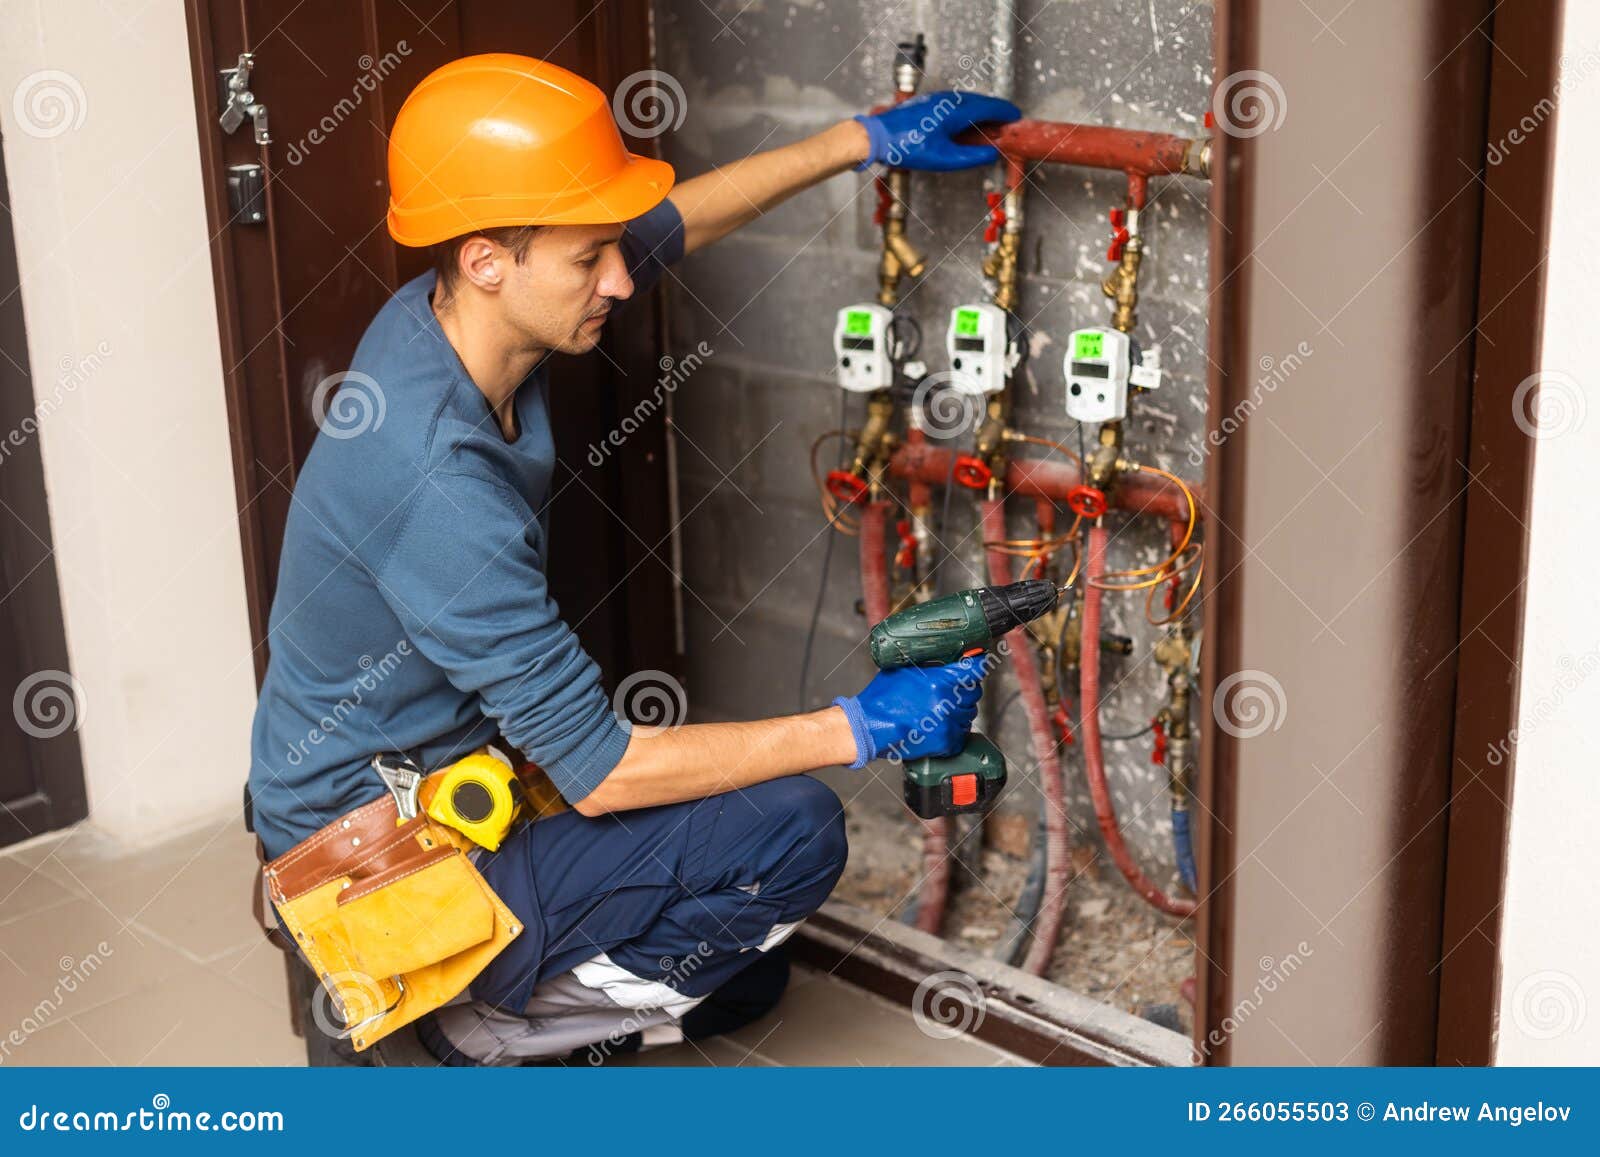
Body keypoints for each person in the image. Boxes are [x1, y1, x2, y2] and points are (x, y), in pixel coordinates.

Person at [248, 53, 1020, 1065]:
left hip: (452, 780)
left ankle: (525, 988)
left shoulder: (452, 313)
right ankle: (462, 1026)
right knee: (794, 830)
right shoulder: (432, 481)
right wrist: (857, 726)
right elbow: (605, 772)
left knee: (749, 976)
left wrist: (862, 140)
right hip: (374, 857)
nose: (619, 277)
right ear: (487, 260)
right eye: (589, 259)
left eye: (609, 247)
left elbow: (675, 221)